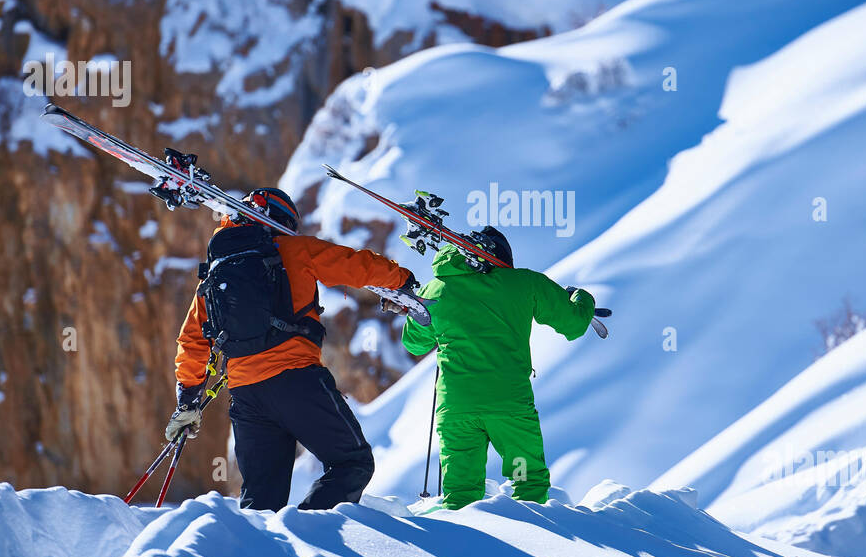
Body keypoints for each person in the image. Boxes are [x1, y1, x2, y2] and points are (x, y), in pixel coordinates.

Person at [169, 187, 417, 511]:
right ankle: (311, 534)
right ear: (282, 220)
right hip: (296, 380)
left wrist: (188, 398)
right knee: (352, 463)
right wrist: (403, 280)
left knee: (260, 501)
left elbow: (192, 339)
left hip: (245, 396)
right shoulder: (295, 249)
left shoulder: (216, 272)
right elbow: (354, 264)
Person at [400, 226, 595, 510]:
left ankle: (466, 549)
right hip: (509, 408)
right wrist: (582, 298)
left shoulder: (436, 289)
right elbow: (574, 324)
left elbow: (414, 344)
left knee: (461, 492)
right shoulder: (525, 283)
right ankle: (534, 543)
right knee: (526, 481)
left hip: (457, 409)